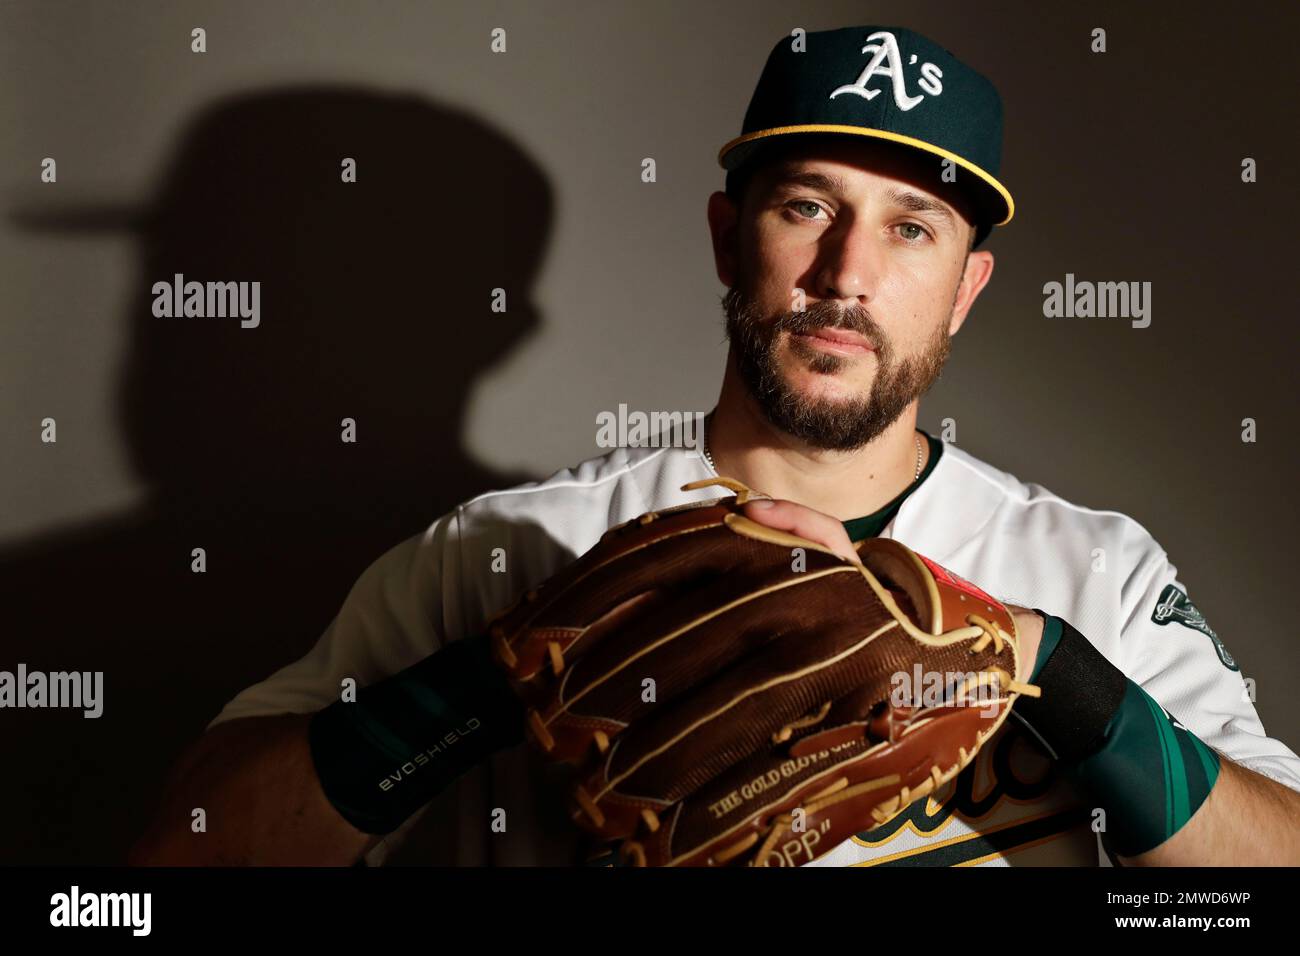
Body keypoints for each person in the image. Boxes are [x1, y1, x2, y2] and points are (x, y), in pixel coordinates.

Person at [129, 25, 1300, 867]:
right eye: (806, 206)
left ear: (965, 288)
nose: (846, 273)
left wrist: (1047, 666)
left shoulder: (1089, 568)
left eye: (909, 227)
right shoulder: (503, 553)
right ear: (726, 235)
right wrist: (497, 672)